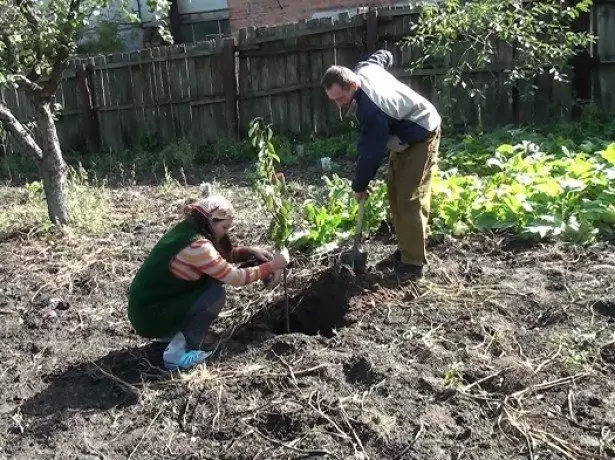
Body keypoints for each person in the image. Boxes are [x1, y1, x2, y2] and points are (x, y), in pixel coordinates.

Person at [128, 195, 289, 371]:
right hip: (150, 315)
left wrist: (249, 252)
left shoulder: (187, 230)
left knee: (211, 284)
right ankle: (177, 354)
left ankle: (172, 334)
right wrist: (272, 266)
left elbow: (220, 258)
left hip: (150, 305)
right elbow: (234, 277)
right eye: (224, 227)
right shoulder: (198, 246)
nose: (226, 232)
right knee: (214, 294)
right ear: (210, 222)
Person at [321, 49, 442, 280]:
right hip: (402, 134)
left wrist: (359, 186)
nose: (338, 105)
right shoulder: (364, 69)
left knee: (409, 197)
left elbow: (371, 153)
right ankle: (406, 249)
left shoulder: (371, 111)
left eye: (340, 98)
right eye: (333, 99)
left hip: (422, 130)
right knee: (394, 193)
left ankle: (414, 265)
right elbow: (384, 55)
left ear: (353, 86)